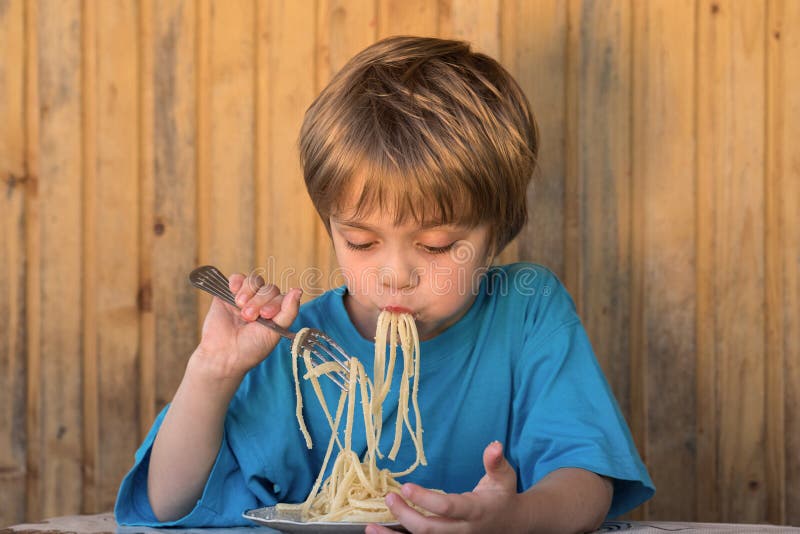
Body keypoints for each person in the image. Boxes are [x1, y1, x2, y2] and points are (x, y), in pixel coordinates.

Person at [115, 35, 654, 533]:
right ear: (329, 226)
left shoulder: (527, 313)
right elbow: (169, 503)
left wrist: (512, 518)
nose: (395, 275)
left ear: (498, 234)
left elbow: (587, 481)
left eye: (438, 245)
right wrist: (213, 371)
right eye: (361, 242)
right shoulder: (294, 344)